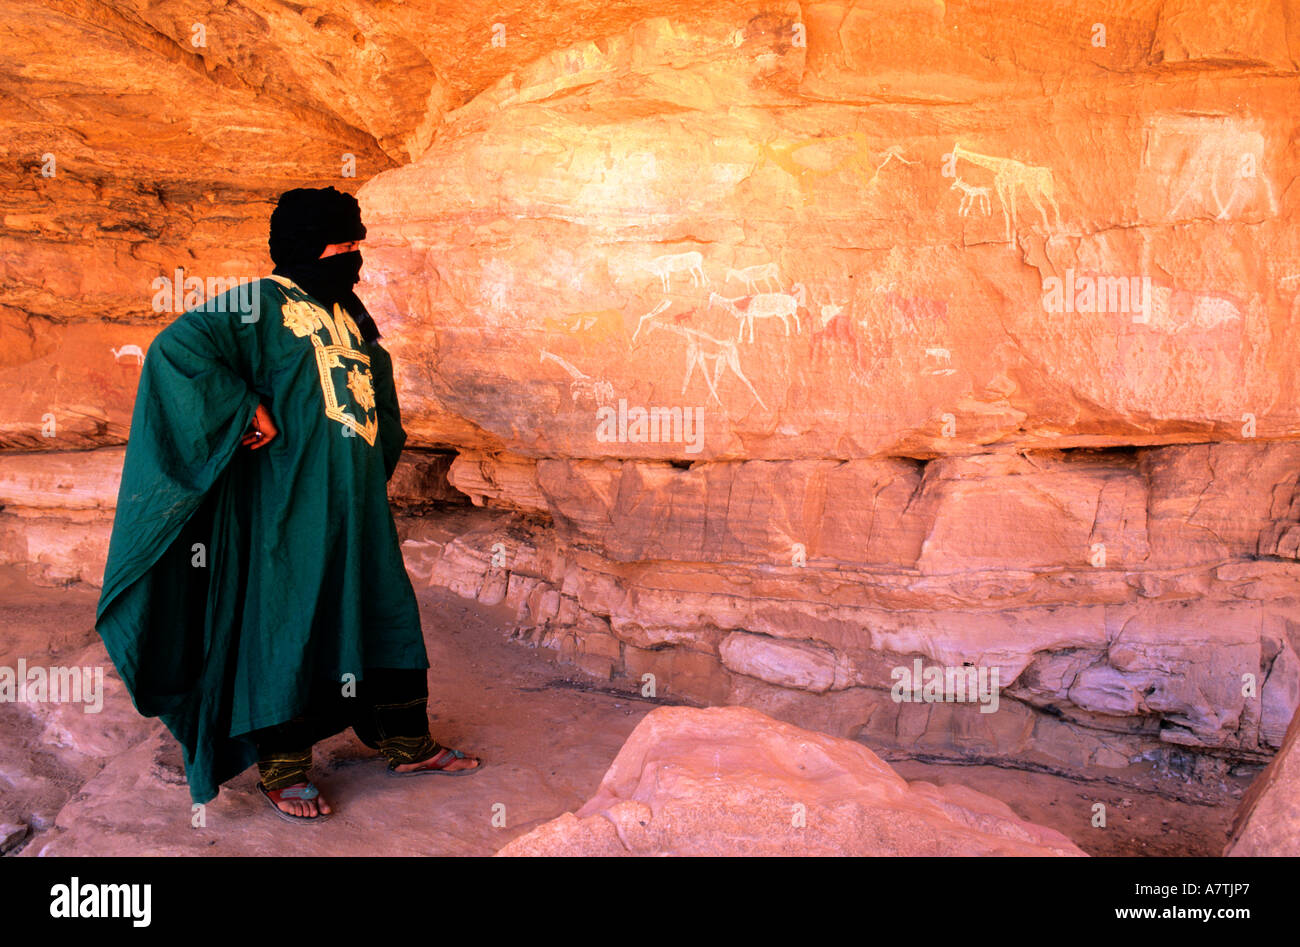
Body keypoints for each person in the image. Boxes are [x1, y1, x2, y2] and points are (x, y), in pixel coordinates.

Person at [96, 186, 480, 825]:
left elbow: (370, 389)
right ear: (303, 245)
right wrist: (244, 405)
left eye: (358, 244)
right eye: (340, 243)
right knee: (289, 620)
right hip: (285, 505)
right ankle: (283, 768)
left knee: (383, 610)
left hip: (355, 506)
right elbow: (177, 350)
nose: (352, 255)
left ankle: (407, 743)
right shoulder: (256, 303)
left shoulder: (348, 311)